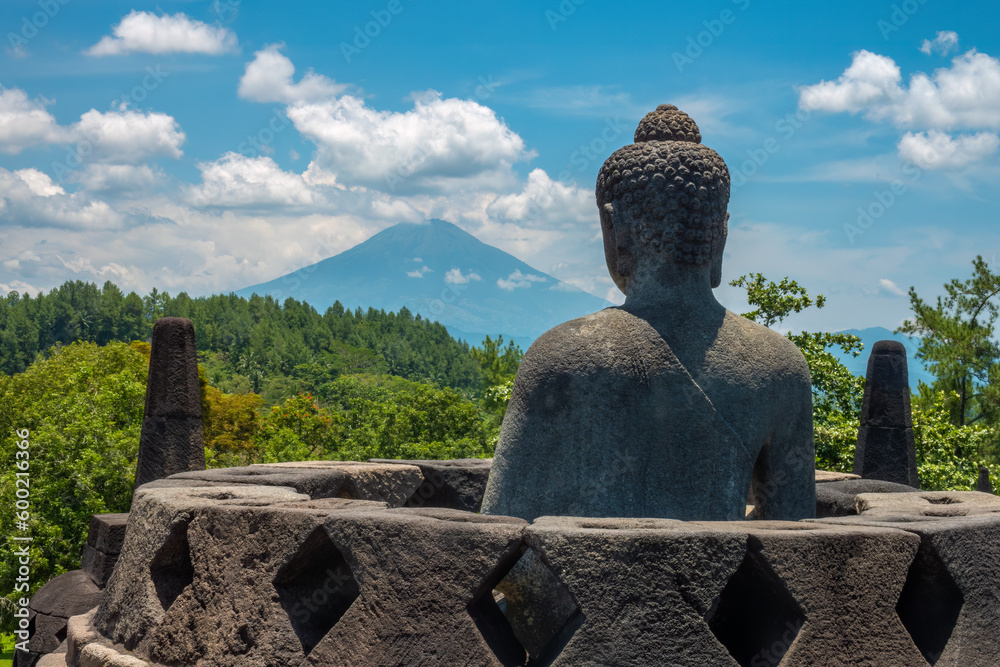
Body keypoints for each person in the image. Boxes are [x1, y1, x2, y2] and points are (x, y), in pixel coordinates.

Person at [481, 105, 815, 521]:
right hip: (727, 588)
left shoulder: (561, 356)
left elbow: (501, 532)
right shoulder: (780, 366)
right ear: (720, 233)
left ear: (615, 230)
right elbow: (795, 536)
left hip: (586, 584)